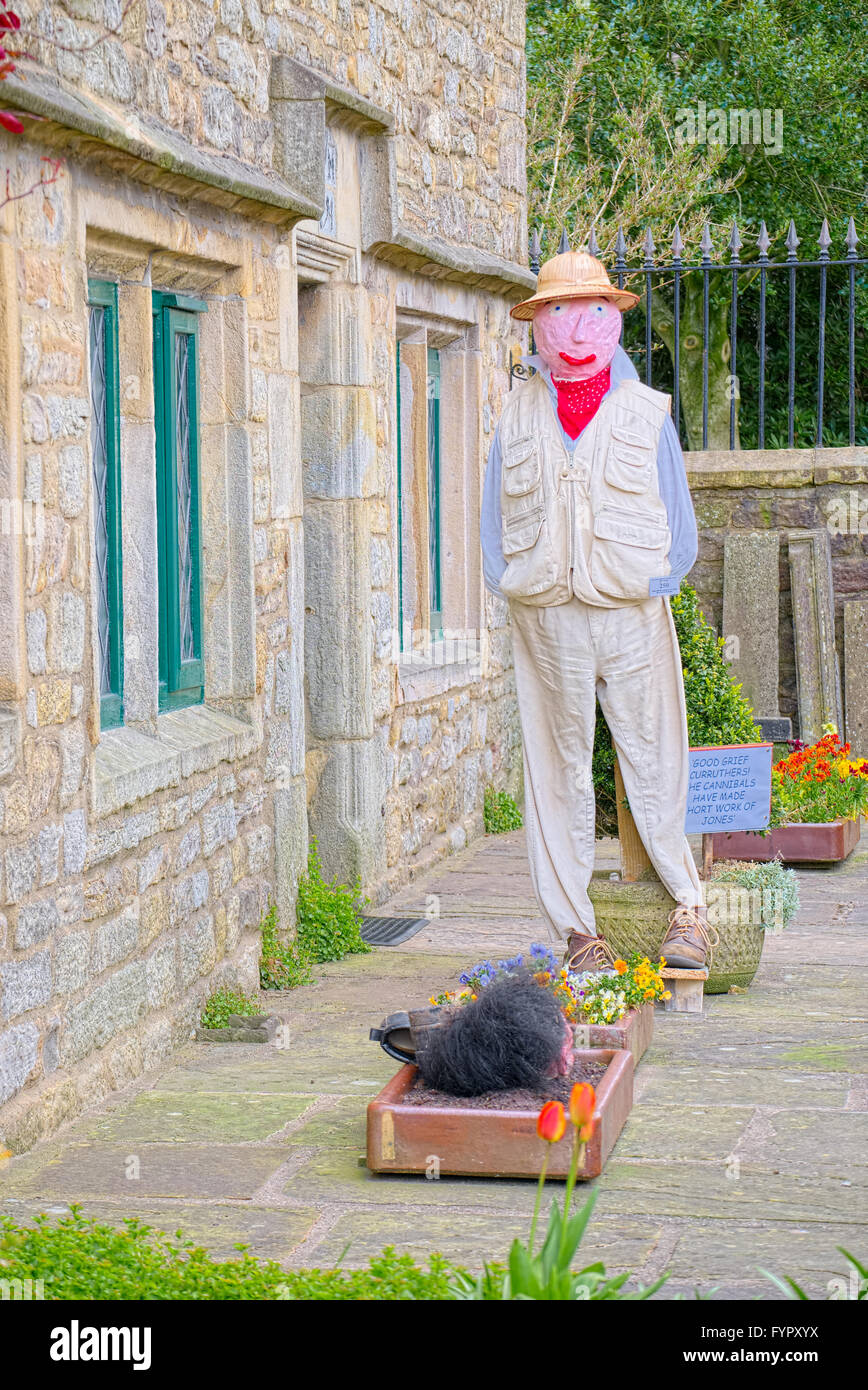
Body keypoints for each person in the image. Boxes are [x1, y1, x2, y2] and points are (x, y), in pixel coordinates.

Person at [481, 250, 714, 972]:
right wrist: (515, 582)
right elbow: (492, 518)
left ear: (611, 320)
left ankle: (689, 909)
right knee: (557, 767)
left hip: (630, 611)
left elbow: (679, 521)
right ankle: (580, 933)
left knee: (655, 752)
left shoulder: (647, 413)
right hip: (546, 619)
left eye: (589, 312)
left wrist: (651, 583)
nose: (574, 328)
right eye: (558, 312)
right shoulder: (515, 412)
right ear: (538, 325)